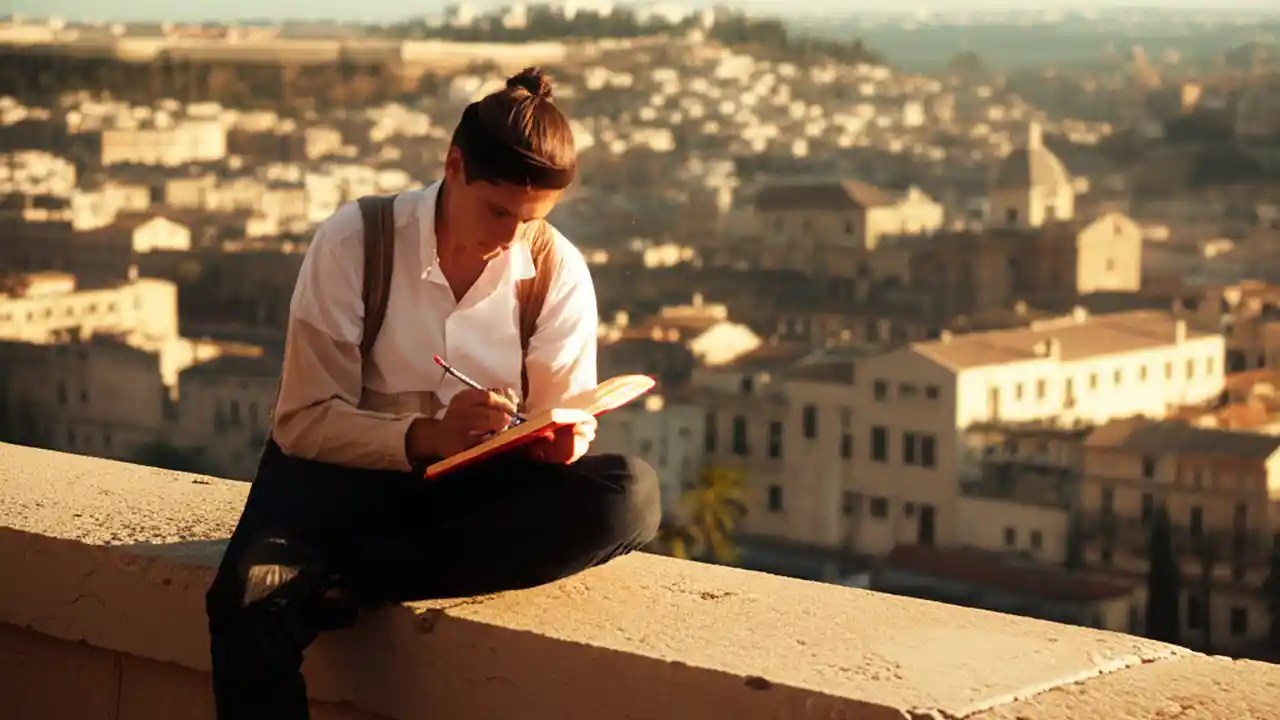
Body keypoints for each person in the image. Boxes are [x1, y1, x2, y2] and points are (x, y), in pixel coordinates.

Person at [205, 67, 662, 719]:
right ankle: (350, 570)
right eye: (498, 211)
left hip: (467, 491)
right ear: (453, 167)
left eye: (530, 220)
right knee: (244, 608)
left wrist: (555, 443)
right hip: (337, 479)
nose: (510, 238)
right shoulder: (357, 240)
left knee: (630, 497)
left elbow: (563, 412)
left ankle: (354, 577)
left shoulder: (556, 269)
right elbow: (302, 423)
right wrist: (425, 437)